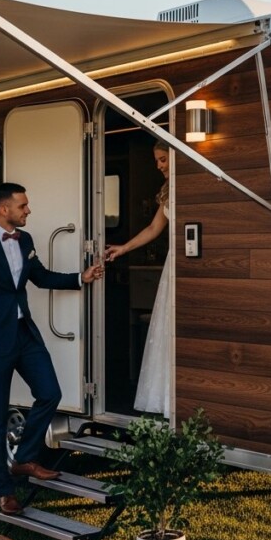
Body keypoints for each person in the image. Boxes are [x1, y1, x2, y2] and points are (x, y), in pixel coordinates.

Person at [0, 183, 104, 516]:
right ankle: (4, 491)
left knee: (50, 393)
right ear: (3, 209)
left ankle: (24, 459)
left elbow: (38, 277)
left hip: (24, 333)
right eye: (23, 206)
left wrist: (80, 278)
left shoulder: (24, 240)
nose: (28, 210)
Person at [104, 142, 171, 415]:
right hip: (172, 263)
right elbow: (154, 227)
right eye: (157, 161)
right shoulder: (169, 192)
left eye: (164, 160)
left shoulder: (191, 185)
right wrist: (123, 248)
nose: (159, 166)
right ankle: (165, 400)